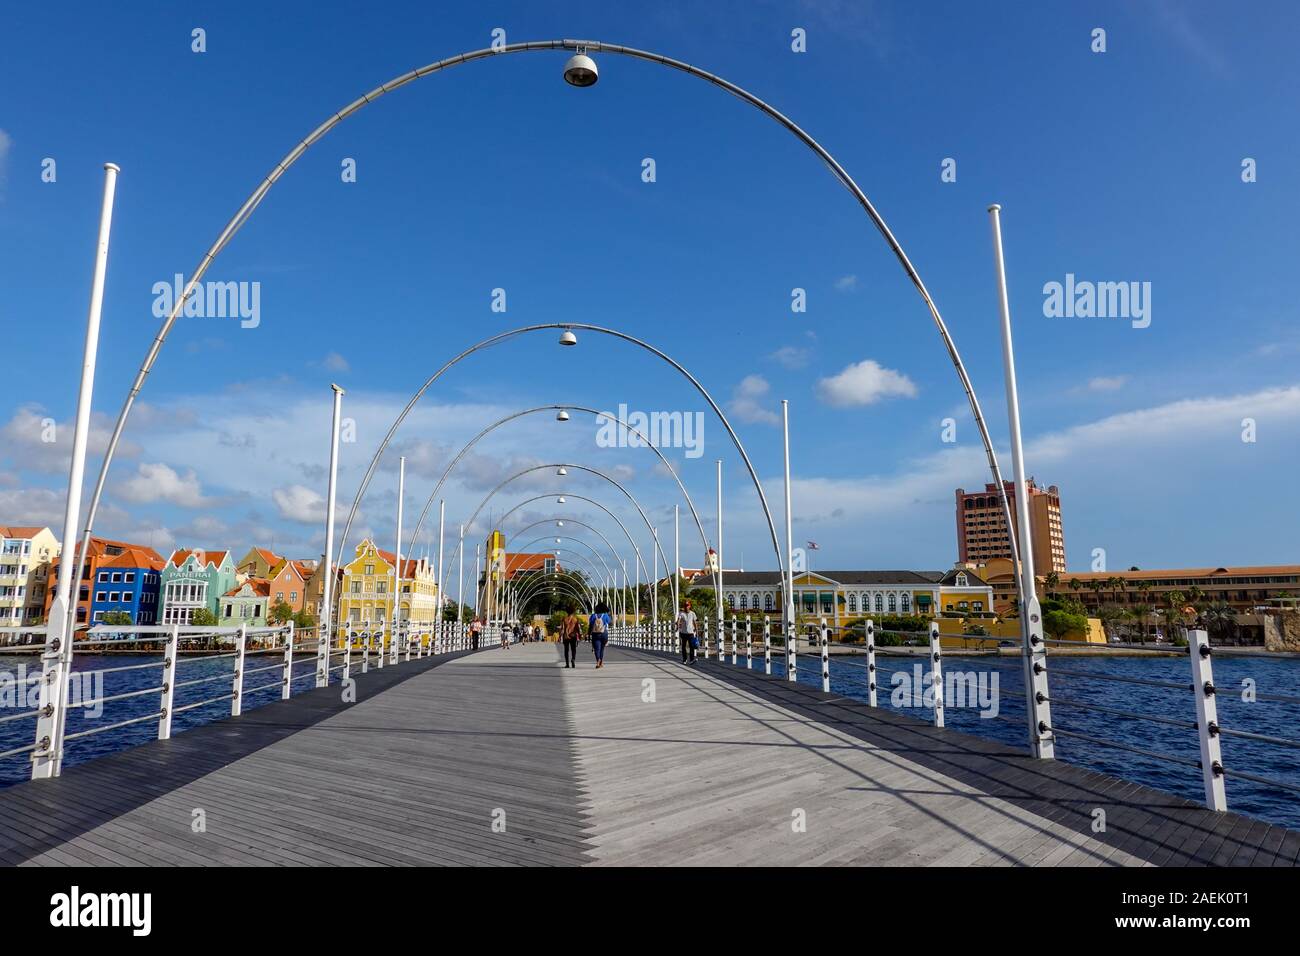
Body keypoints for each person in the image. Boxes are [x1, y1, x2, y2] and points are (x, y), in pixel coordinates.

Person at [588, 601, 611, 668]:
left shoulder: (593, 616)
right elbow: (609, 622)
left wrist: (589, 634)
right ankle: (601, 662)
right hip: (604, 634)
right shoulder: (605, 615)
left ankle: (598, 661)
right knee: (602, 648)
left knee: (597, 649)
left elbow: (590, 625)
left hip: (595, 634)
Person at [677, 599, 698, 664]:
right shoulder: (681, 613)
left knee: (691, 646)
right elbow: (678, 620)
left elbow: (695, 623)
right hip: (683, 633)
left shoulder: (693, 613)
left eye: (687, 605)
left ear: (690, 606)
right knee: (683, 647)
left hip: (691, 633)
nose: (686, 607)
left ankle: (691, 660)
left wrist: (697, 631)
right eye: (685, 605)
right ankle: (684, 660)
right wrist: (677, 625)